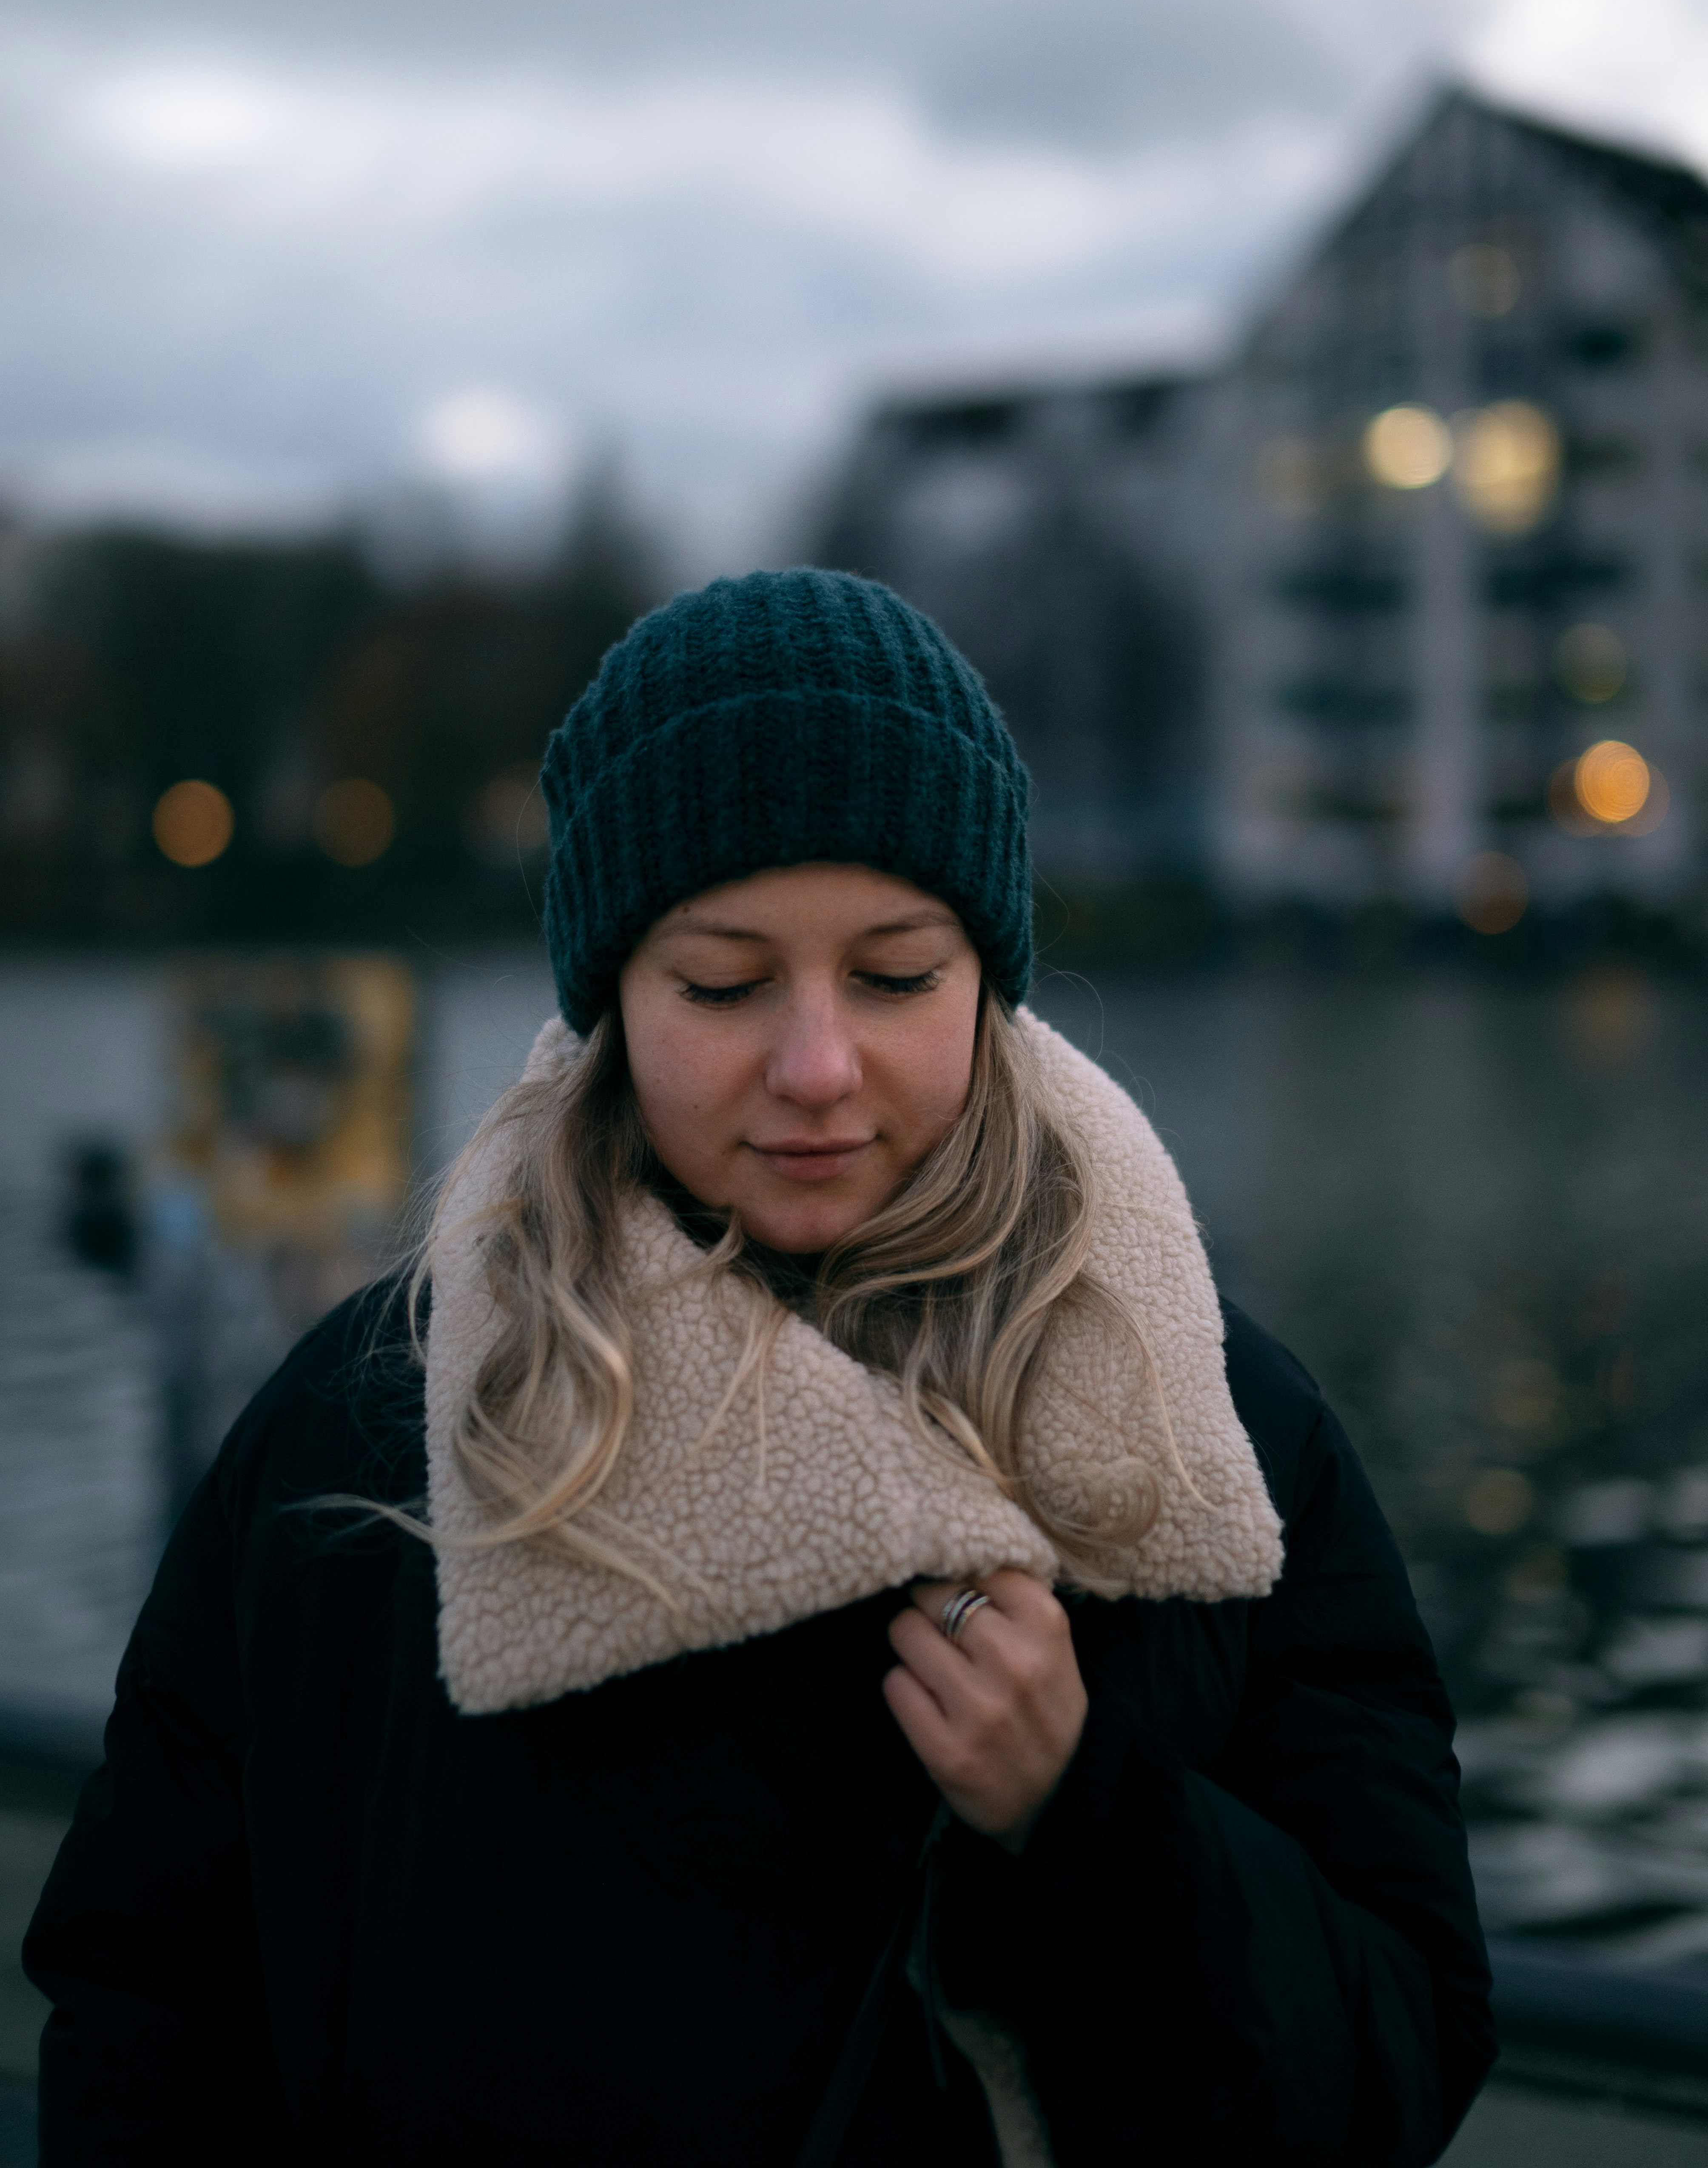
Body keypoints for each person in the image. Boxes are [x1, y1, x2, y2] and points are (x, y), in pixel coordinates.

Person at [27, 569, 1494, 2165]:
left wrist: (1087, 1818)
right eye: (723, 985)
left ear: (988, 983)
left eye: (897, 976)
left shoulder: (1217, 1426)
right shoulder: (366, 1430)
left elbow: (1398, 2054)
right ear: (612, 995)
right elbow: (150, 2008)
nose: (816, 1067)